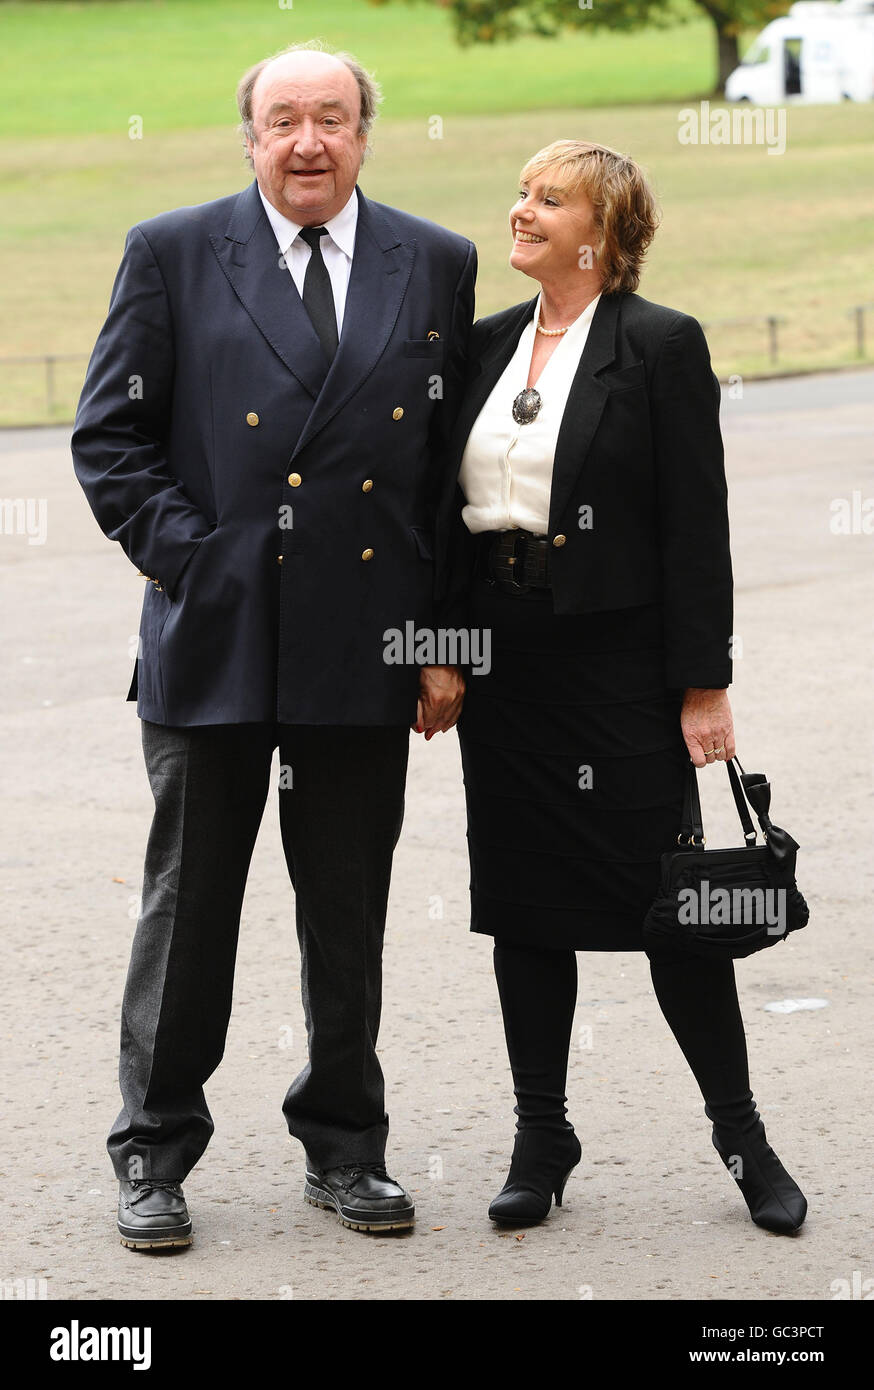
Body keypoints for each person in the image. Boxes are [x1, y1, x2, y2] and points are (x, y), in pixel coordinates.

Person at [72, 42, 473, 1246]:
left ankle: (348, 1149)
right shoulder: (174, 250)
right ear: (248, 136)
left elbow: (446, 483)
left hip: (367, 647)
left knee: (345, 914)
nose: (309, 141)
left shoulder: (435, 261)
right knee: (188, 911)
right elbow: (111, 439)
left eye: (333, 118)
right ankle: (153, 1150)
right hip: (218, 640)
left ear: (365, 133)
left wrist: (445, 641)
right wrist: (203, 561)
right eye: (285, 119)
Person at [438, 140, 806, 1234]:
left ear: (602, 233)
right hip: (507, 669)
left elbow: (699, 528)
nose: (520, 211)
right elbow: (435, 517)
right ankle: (540, 1134)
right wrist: (440, 646)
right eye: (520, 191)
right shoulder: (482, 347)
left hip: (619, 666)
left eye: (548, 199)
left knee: (675, 906)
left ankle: (740, 1133)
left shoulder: (659, 346)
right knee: (525, 908)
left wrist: (704, 686)